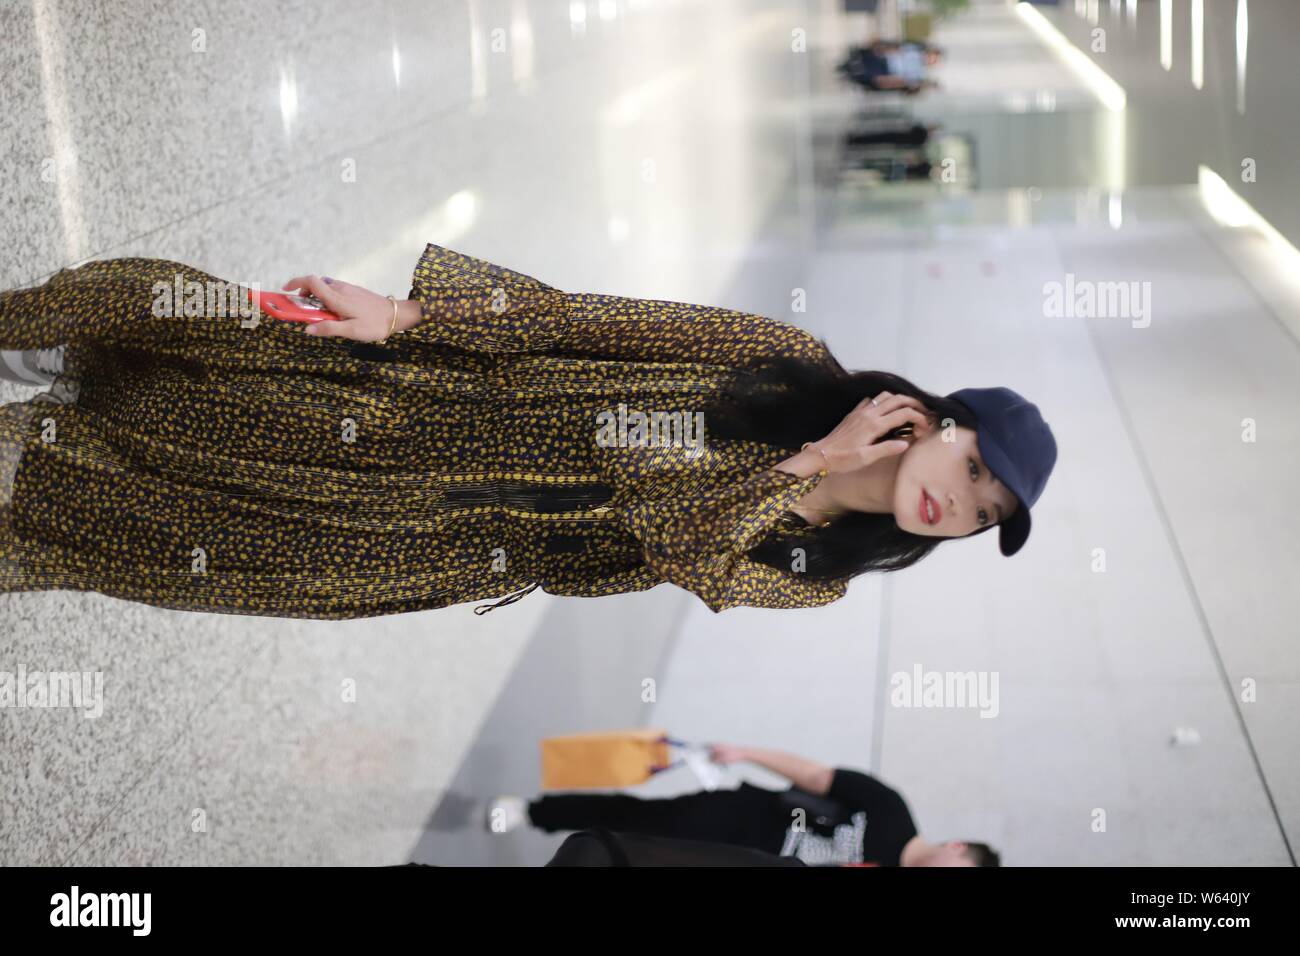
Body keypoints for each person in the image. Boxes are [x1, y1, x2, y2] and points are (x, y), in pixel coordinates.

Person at [0, 243, 1055, 618]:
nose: (956, 502)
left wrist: (812, 468)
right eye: (972, 469)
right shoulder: (777, 357)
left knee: (144, 530)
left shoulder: (811, 569)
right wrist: (407, 316)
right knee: (183, 338)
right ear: (938, 419)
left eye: (981, 514)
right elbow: (583, 319)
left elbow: (685, 546)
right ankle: (28, 345)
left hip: (428, 541)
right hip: (434, 408)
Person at [487, 743, 1000, 867]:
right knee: (639, 819)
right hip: (741, 818)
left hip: (736, 865)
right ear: (957, 848)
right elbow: (817, 776)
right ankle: (535, 813)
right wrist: (747, 752)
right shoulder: (891, 811)